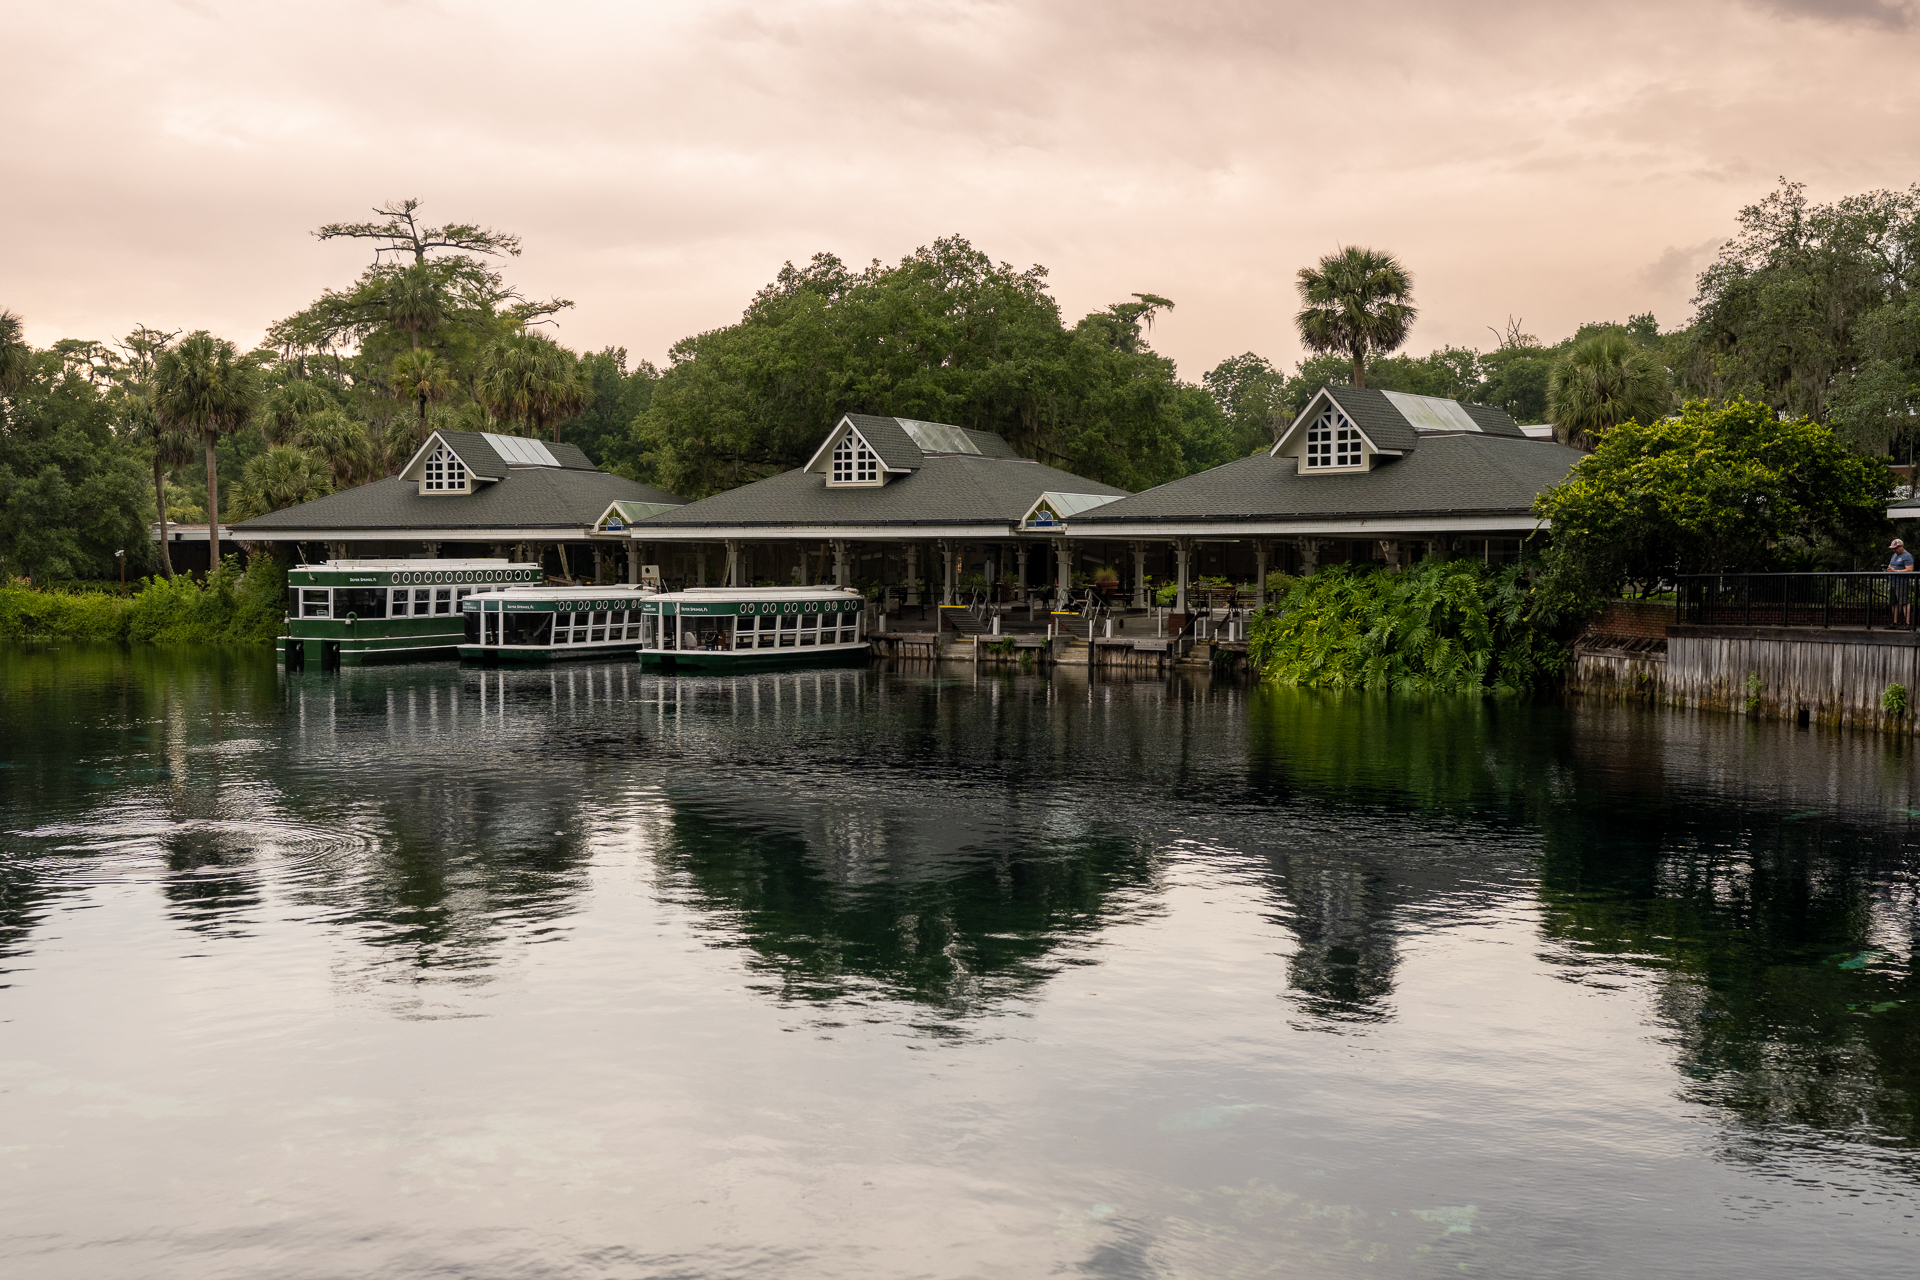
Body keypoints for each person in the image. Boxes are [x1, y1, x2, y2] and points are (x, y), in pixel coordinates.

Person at [1890, 538, 1914, 626]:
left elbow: (1910, 569)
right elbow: (1890, 565)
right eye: (1893, 548)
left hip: (1901, 582)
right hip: (1892, 581)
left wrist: (1896, 571)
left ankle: (1907, 623)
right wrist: (1888, 569)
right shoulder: (1894, 556)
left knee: (1904, 602)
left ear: (1901, 546)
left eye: (1896, 548)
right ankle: (1895, 622)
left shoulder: (1907, 556)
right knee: (1894, 602)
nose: (1894, 550)